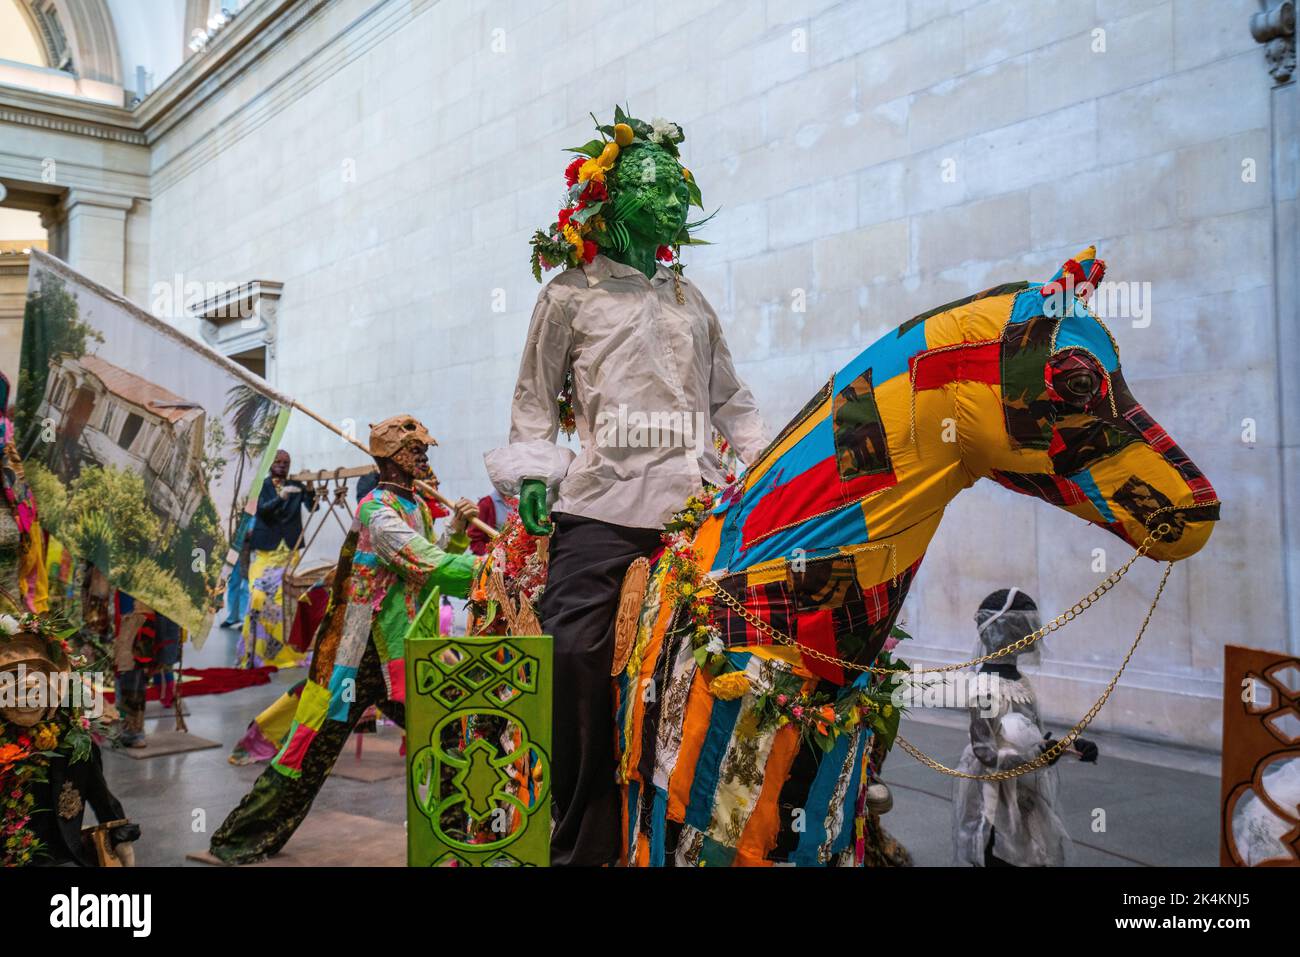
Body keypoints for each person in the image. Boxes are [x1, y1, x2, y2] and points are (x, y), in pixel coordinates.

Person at [485, 109, 768, 866]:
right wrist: (535, 475)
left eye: (679, 185)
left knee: (761, 645)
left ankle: (717, 821)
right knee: (573, 646)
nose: (673, 197)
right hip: (605, 504)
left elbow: (733, 401)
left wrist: (766, 465)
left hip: (698, 507)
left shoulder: (690, 299)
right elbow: (535, 402)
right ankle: (584, 832)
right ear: (608, 200)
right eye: (654, 184)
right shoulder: (569, 294)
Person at [209, 414, 479, 863]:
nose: (426, 457)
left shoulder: (411, 507)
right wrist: (495, 568)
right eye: (417, 451)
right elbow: (425, 565)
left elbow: (426, 578)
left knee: (447, 734)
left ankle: (451, 841)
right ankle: (237, 838)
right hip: (353, 650)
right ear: (392, 459)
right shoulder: (375, 510)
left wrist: (455, 532)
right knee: (307, 749)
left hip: (401, 648)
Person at [951, 588, 1099, 867]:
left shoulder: (1022, 682)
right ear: (1008, 634)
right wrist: (1038, 757)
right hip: (995, 797)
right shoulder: (985, 688)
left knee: (1031, 853)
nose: (1034, 634)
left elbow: (1035, 737)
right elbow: (986, 752)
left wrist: (1072, 748)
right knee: (1000, 854)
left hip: (1025, 790)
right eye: (1026, 626)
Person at [238, 450, 316, 668]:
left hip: (289, 552)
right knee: (257, 598)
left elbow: (313, 506)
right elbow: (261, 510)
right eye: (279, 462)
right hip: (265, 551)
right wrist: (280, 497)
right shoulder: (260, 486)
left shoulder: (296, 485)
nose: (282, 465)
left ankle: (286, 652)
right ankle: (256, 651)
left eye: (286, 462)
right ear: (271, 463)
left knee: (286, 602)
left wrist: (309, 489)